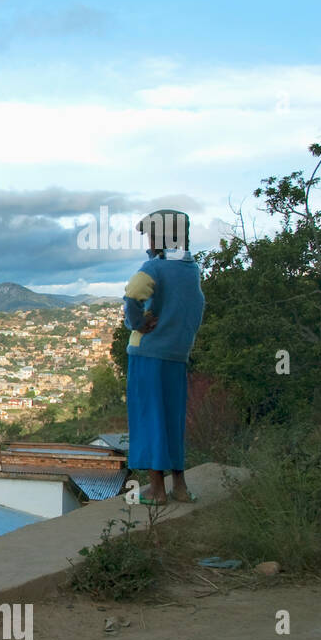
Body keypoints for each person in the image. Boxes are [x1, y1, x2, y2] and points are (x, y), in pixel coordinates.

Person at [123, 209, 205, 504]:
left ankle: (156, 490)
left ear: (160, 237)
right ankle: (180, 487)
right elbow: (196, 307)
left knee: (149, 418)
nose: (148, 241)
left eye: (151, 234)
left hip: (149, 355)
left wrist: (138, 323)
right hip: (177, 355)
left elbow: (132, 295)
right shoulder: (191, 268)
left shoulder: (155, 268)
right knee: (172, 419)